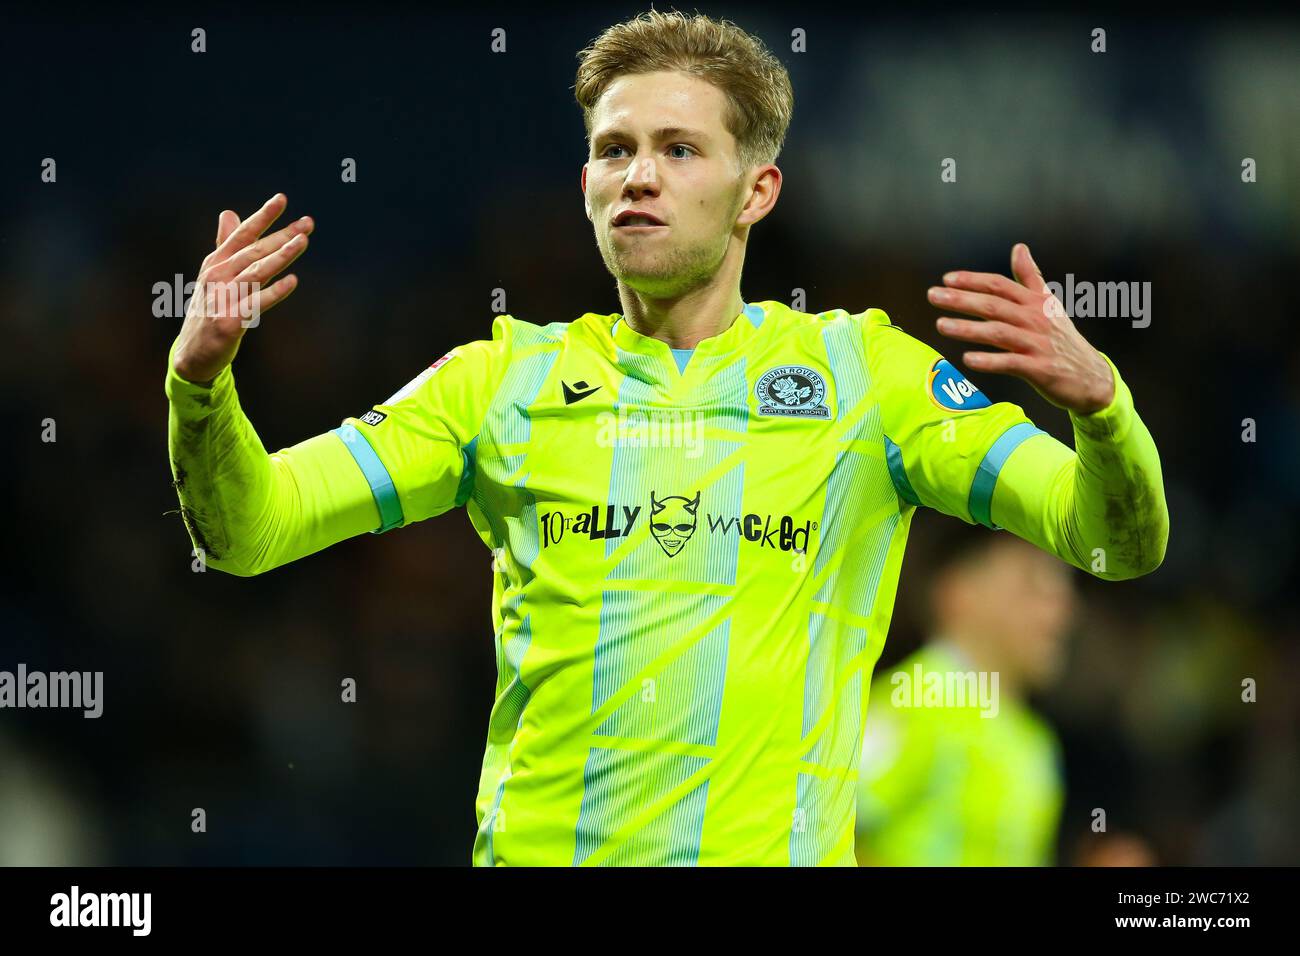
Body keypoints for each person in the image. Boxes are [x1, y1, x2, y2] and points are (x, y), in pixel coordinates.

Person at [164, 10, 1168, 865]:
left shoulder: (869, 380)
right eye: (614, 149)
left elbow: (1111, 542)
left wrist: (1101, 408)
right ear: (588, 182)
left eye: (679, 149)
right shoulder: (499, 381)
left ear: (755, 191)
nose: (638, 176)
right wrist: (200, 383)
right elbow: (250, 529)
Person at [855, 533, 1076, 866]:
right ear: (957, 592)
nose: (1061, 611)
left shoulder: (1036, 741)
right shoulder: (916, 701)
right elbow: (821, 827)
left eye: (1063, 589)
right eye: (1033, 585)